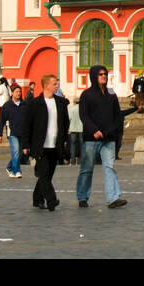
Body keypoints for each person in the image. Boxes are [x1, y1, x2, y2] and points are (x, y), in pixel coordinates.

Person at [77, 64, 127, 209]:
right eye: (100, 74)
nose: (104, 76)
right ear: (93, 76)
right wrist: (94, 130)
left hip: (109, 138)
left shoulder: (111, 95)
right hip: (91, 138)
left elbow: (117, 116)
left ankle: (113, 198)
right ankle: (82, 196)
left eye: (105, 73)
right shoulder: (86, 95)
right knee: (87, 169)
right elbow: (84, 115)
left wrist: (110, 131)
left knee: (110, 167)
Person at [20, 73, 69, 211]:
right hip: (40, 145)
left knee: (46, 175)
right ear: (46, 85)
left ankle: (37, 198)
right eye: (54, 84)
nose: (57, 86)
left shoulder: (60, 103)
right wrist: (25, 145)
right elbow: (27, 125)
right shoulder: (35, 103)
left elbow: (65, 123)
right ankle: (52, 200)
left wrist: (64, 140)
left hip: (55, 144)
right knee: (44, 174)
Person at [0, 84, 26, 178]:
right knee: (16, 150)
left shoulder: (24, 104)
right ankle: (17, 171)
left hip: (22, 132)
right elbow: (1, 120)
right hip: (12, 132)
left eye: (20, 92)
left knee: (20, 152)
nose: (18, 93)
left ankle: (9, 167)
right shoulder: (7, 106)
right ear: (12, 93)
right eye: (16, 92)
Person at [67, 96, 83, 166]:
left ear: (74, 102)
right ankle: (82, 160)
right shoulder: (82, 109)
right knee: (82, 145)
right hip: (81, 129)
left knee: (73, 145)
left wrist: (68, 129)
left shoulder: (71, 109)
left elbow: (69, 119)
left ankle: (72, 160)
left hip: (73, 128)